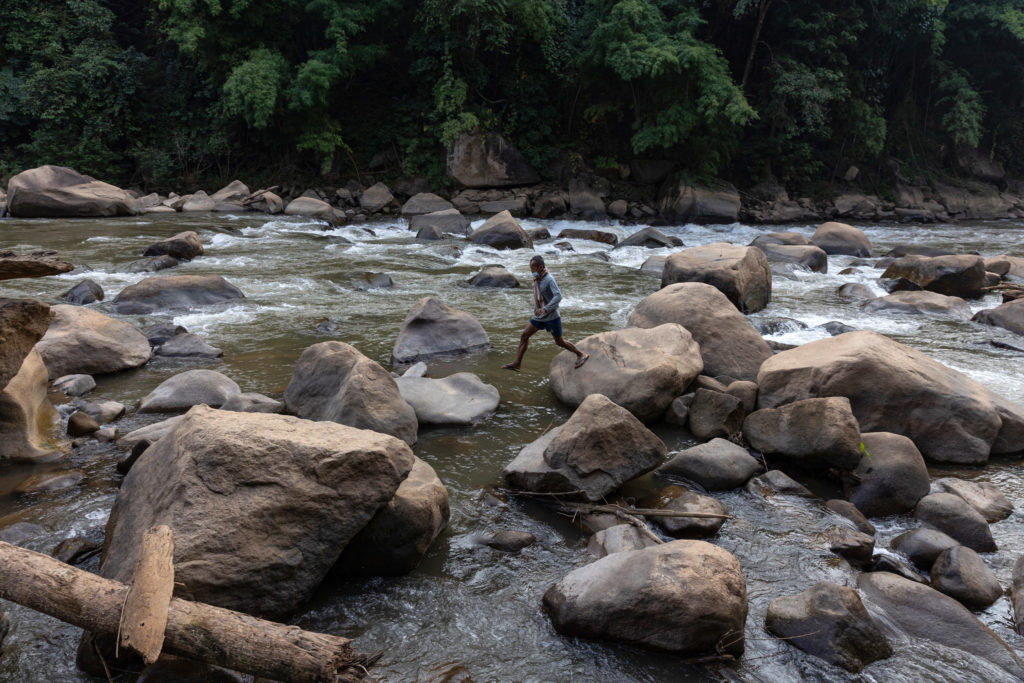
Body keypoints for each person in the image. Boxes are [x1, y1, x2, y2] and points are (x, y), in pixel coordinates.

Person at [502, 255, 588, 371]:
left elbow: (558, 296)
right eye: (530, 268)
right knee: (524, 336)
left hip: (551, 316)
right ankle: (517, 363)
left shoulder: (549, 279)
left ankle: (580, 354)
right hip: (539, 316)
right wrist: (536, 309)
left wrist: (546, 309)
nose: (531, 271)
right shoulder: (537, 279)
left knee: (559, 342)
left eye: (533, 268)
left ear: (541, 267)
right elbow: (539, 298)